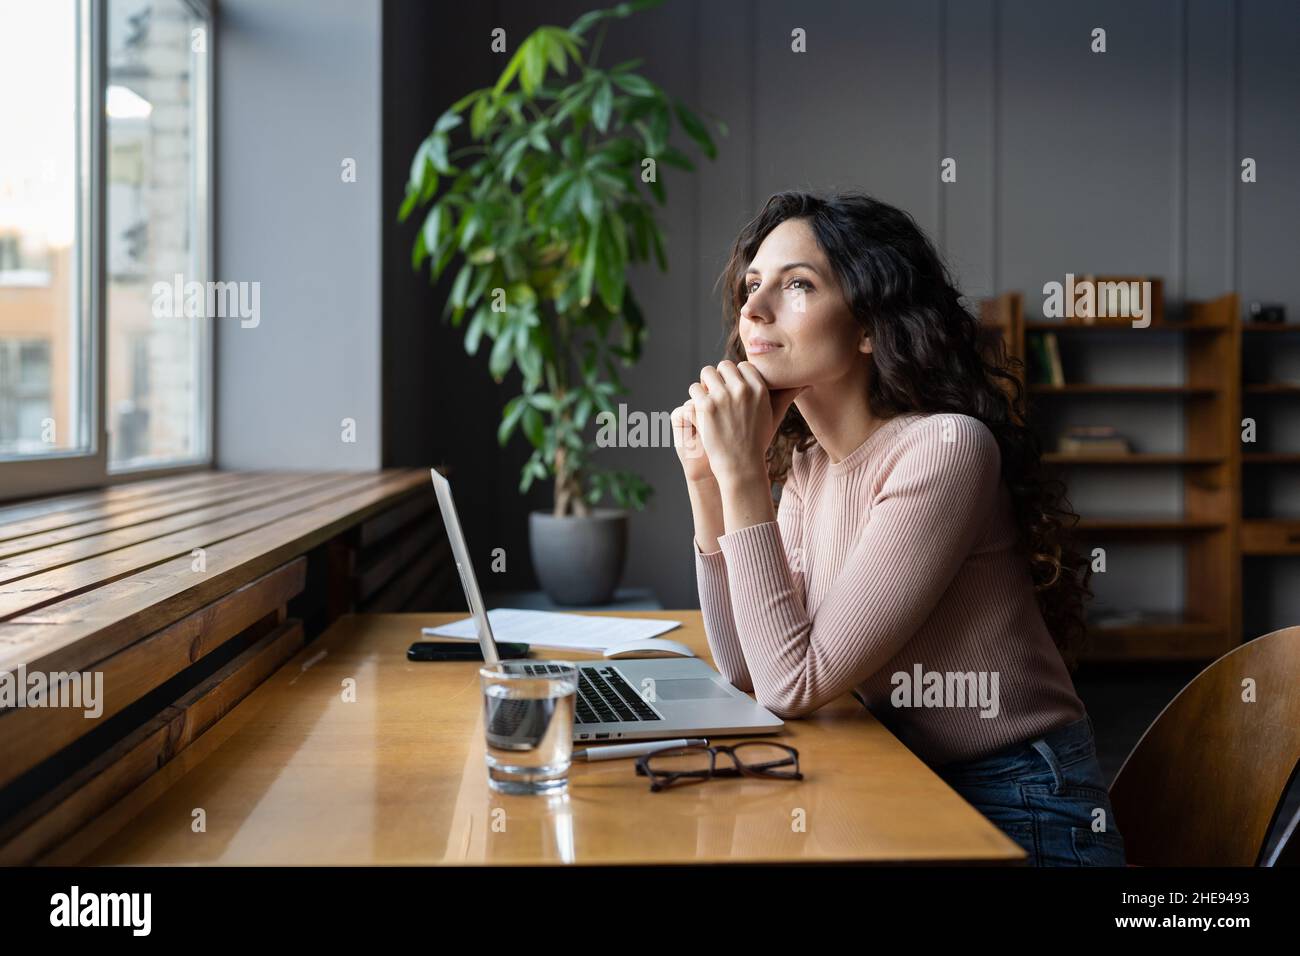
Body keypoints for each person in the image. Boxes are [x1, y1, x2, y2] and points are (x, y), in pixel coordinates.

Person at [669, 190, 1125, 866]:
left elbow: (792, 684)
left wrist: (741, 481)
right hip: (906, 775)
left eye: (797, 284)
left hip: (1018, 803)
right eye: (752, 285)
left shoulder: (945, 449)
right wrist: (707, 482)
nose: (755, 309)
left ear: (869, 327)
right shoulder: (810, 468)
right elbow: (747, 674)